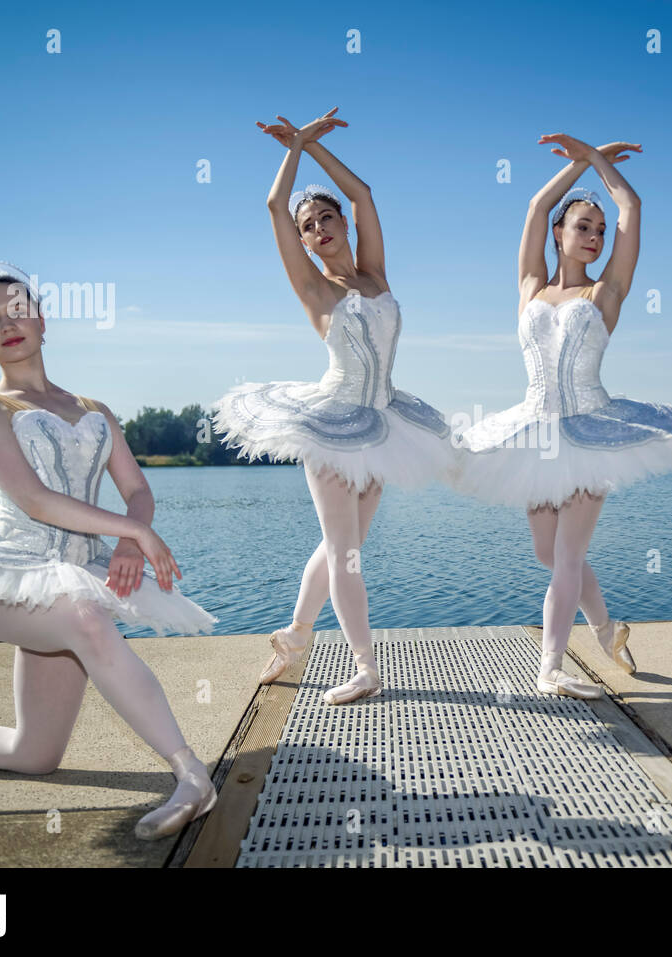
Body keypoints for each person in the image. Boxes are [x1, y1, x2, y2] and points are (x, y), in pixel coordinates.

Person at [0, 262, 221, 840]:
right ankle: (192, 777)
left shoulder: (96, 410)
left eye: (18, 310)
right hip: (10, 577)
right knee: (89, 620)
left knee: (34, 755)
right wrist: (139, 535)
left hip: (78, 573)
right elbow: (35, 500)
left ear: (43, 319)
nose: (7, 324)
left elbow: (137, 490)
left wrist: (129, 534)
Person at [212, 108, 456, 704]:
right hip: (332, 424)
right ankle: (366, 667)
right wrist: (292, 148)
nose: (318, 228)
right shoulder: (315, 289)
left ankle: (294, 635)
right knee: (345, 553)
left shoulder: (375, 274)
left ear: (343, 223)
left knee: (341, 547)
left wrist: (315, 147)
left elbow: (365, 191)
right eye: (308, 226)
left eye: (326, 218)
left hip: (384, 424)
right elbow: (274, 207)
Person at [453, 134, 672, 698]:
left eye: (599, 229)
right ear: (559, 235)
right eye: (583, 227)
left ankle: (550, 667)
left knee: (568, 554)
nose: (593, 237)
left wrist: (597, 163)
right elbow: (535, 207)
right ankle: (609, 630)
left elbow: (631, 209)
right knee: (548, 552)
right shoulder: (530, 288)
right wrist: (576, 165)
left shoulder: (606, 293)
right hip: (534, 434)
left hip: (591, 432)